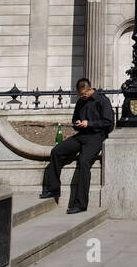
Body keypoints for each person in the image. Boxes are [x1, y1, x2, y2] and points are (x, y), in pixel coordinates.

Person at [40, 78, 113, 214]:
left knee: (84, 161)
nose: (82, 97)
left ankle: (80, 203)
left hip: (96, 136)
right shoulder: (81, 101)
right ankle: (54, 189)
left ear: (90, 89)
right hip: (81, 135)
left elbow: (108, 123)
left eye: (84, 95)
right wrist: (77, 123)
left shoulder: (102, 100)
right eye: (80, 95)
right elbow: (74, 119)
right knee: (57, 151)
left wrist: (89, 123)